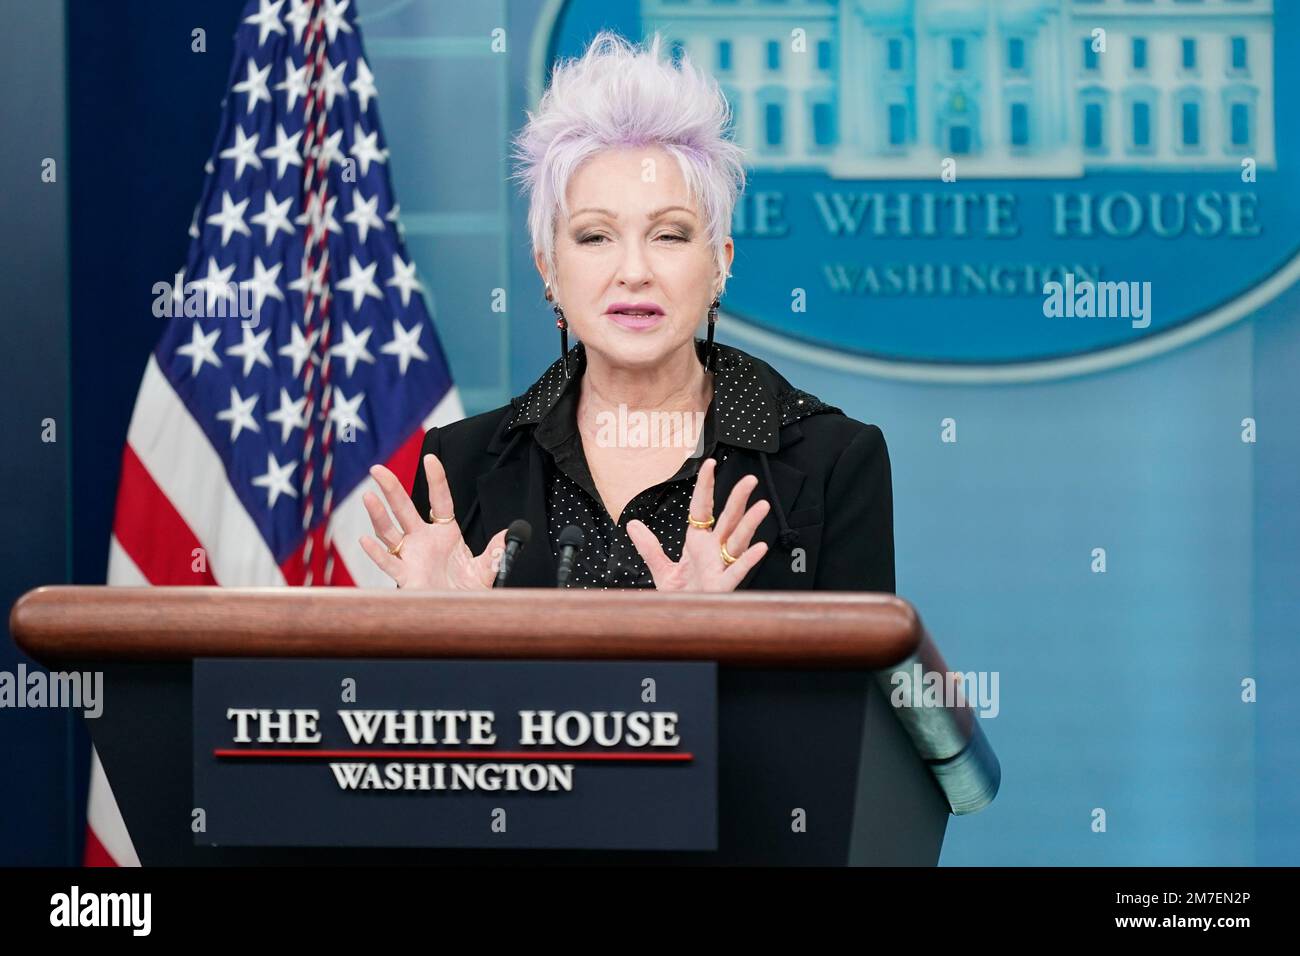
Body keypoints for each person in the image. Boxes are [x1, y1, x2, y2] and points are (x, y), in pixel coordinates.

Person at [359, 31, 893, 593]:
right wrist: (444, 633)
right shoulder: (459, 465)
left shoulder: (835, 459)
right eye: (595, 237)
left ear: (719, 265)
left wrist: (719, 640)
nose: (634, 270)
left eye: (668, 234)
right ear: (549, 270)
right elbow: (423, 685)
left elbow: (862, 681)